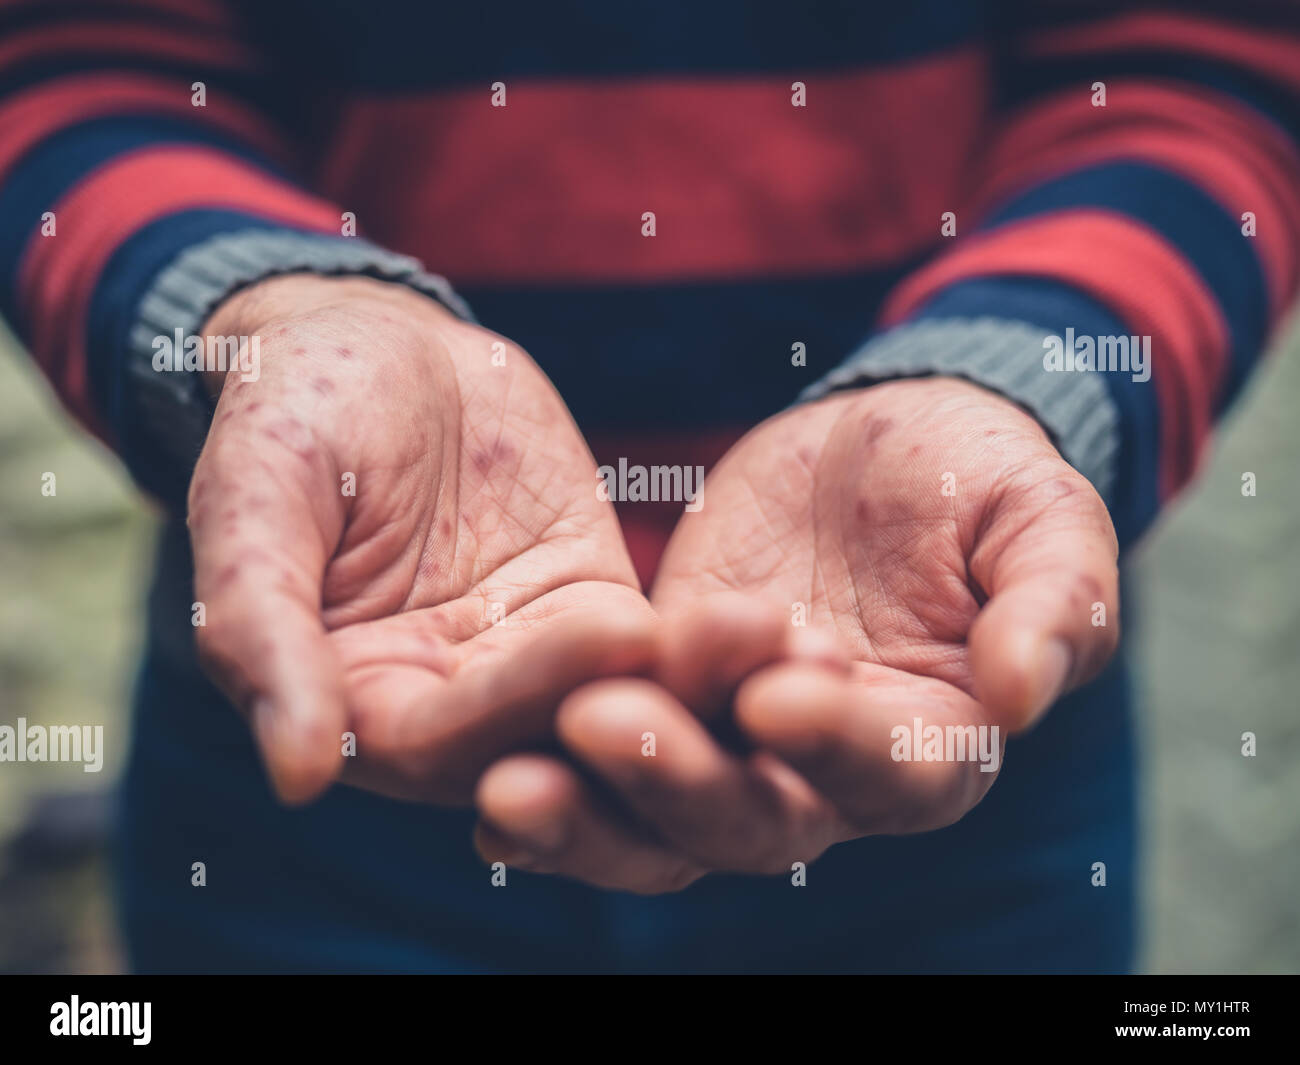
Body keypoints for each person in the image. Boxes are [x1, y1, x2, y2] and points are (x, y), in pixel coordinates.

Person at [3, 0, 1298, 973]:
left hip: (947, 710)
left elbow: (1201, 69)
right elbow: (75, 59)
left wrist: (1021, 377)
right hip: (325, 707)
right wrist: (258, 317)